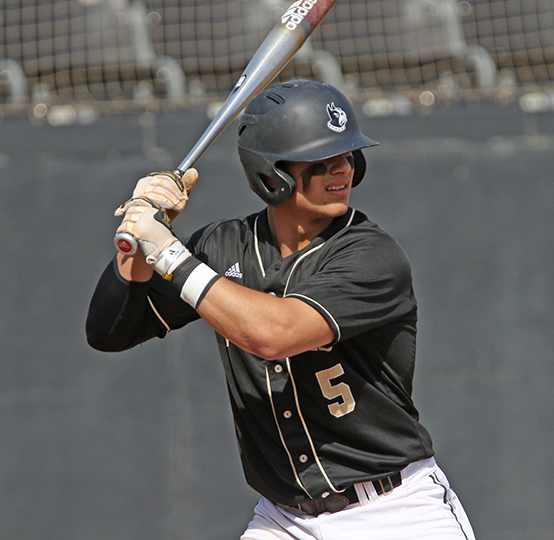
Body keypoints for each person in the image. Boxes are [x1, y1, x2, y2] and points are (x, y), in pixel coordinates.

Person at [86, 80, 476, 540]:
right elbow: (109, 331)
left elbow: (273, 334)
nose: (342, 171)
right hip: (284, 520)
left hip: (393, 512)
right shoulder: (223, 246)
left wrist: (167, 251)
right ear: (272, 174)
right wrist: (138, 244)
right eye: (321, 162)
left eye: (347, 155)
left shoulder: (371, 255)